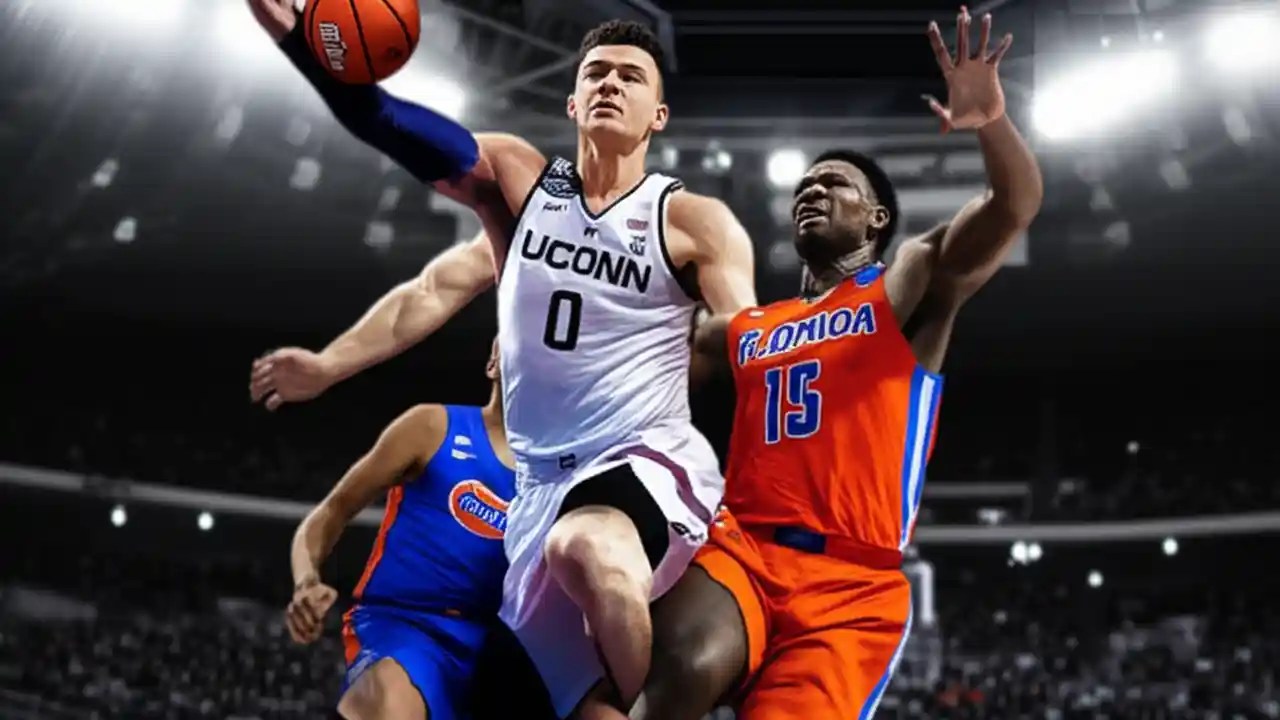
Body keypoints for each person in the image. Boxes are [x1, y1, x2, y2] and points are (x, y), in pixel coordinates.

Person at [244, 2, 756, 716]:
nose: (611, 84)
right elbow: (387, 132)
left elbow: (746, 339)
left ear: (658, 115)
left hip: (645, 459)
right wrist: (303, 43)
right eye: (597, 74)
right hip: (540, 488)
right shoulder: (518, 184)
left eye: (631, 77)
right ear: (572, 101)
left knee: (590, 550)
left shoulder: (693, 221)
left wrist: (739, 343)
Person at [620, 8, 1043, 720]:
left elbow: (1015, 205)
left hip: (853, 581)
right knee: (679, 672)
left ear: (877, 219)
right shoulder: (747, 328)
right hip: (744, 550)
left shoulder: (907, 283)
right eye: (804, 186)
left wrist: (992, 122)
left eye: (835, 184)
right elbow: (629, 348)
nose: (812, 190)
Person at [285, 340, 553, 720]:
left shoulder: (561, 474)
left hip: (503, 646)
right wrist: (305, 581)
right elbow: (331, 511)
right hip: (408, 625)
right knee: (390, 706)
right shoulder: (430, 427)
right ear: (494, 360)